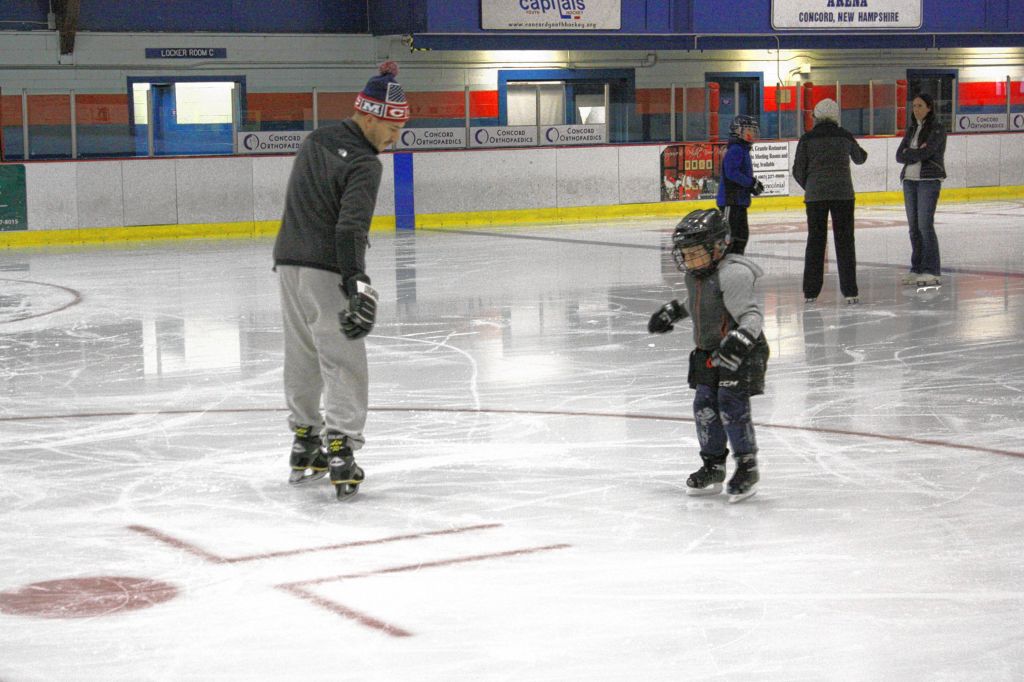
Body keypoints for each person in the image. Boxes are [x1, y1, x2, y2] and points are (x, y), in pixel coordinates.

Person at [272, 61, 408, 500]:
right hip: (324, 268)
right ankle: (341, 448)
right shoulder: (367, 164)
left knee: (303, 354)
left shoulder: (316, 141)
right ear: (367, 116)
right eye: (391, 127)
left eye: (401, 128)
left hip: (288, 263)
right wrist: (357, 284)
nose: (395, 137)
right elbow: (350, 228)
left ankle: (304, 442)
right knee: (344, 358)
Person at [647, 208, 770, 503]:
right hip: (708, 351)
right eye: (685, 254)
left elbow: (751, 316)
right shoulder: (697, 274)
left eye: (694, 253)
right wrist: (675, 311)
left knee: (730, 403)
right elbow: (702, 303)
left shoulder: (734, 274)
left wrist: (739, 340)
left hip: (742, 350)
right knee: (704, 404)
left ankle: (747, 465)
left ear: (718, 247)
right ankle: (713, 465)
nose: (688, 261)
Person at [792, 98, 868, 304]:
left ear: (815, 116)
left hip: (816, 196)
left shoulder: (807, 138)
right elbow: (860, 158)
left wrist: (811, 186)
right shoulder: (844, 135)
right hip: (843, 194)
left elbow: (797, 170)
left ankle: (811, 292)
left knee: (815, 242)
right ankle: (850, 291)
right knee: (845, 242)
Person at [896, 92, 947, 287]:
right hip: (909, 180)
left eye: (919, 106)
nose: (915, 109)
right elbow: (899, 156)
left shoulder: (937, 129)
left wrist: (911, 152)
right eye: (914, 105)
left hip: (928, 179)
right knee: (914, 228)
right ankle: (916, 268)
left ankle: (932, 270)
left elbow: (927, 152)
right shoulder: (911, 130)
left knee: (925, 225)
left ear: (929, 108)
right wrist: (913, 153)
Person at [716, 115, 765, 255]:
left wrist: (751, 183)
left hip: (739, 201)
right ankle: (728, 266)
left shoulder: (742, 149)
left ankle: (736, 264)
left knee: (741, 236)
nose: (752, 133)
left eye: (754, 130)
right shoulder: (736, 149)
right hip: (730, 202)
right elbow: (731, 173)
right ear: (737, 131)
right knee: (731, 238)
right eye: (748, 130)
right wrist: (750, 183)